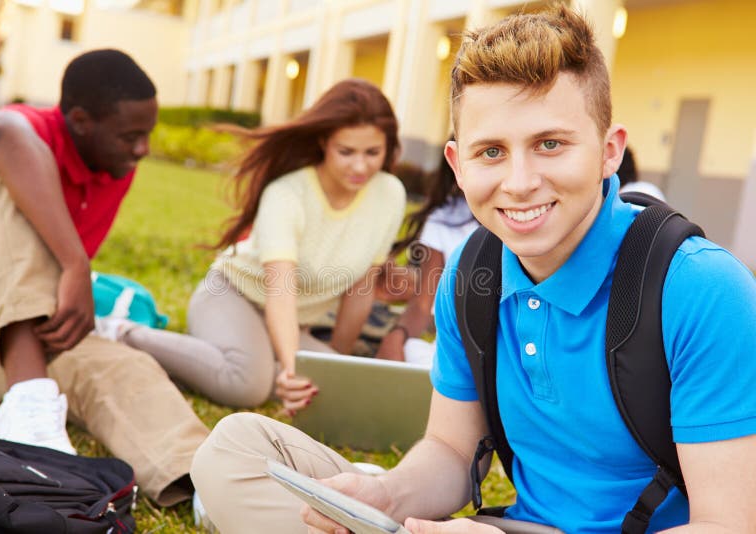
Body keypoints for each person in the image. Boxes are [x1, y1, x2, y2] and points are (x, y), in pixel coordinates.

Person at [189, 6, 756, 533]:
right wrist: (388, 496)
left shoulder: (701, 288)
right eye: (492, 153)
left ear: (610, 151)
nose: (518, 181)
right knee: (236, 448)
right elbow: (451, 452)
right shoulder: (472, 269)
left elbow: (727, 525)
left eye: (550, 144)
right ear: (458, 165)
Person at [0, 49, 209, 508]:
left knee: (121, 364)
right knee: (6, 183)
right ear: (80, 120)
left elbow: (40, 288)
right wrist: (77, 264)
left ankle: (208, 487)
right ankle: (30, 402)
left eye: (148, 135)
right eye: (130, 136)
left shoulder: (114, 169)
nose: (142, 150)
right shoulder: (27, 129)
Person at [106, 78, 406, 413]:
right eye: (346, 152)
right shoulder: (287, 194)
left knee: (342, 389)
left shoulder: (390, 195)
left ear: (388, 147)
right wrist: (292, 372)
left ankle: (244, 361)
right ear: (324, 142)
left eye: (372, 153)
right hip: (232, 297)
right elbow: (280, 291)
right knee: (248, 386)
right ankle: (123, 332)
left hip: (292, 323)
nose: (360, 166)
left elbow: (362, 289)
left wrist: (336, 363)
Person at [375, 146, 478, 365]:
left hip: (514, 351)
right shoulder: (445, 218)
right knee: (410, 351)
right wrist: (398, 335)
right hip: (460, 353)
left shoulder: (531, 216)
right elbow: (423, 304)